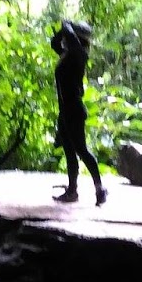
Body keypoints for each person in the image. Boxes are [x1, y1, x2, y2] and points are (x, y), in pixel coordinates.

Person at [51, 19, 107, 205]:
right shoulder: (66, 55)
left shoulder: (79, 55)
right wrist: (62, 30)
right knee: (69, 152)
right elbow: (54, 43)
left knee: (81, 150)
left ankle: (99, 188)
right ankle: (72, 191)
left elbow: (70, 37)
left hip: (74, 109)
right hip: (65, 110)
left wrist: (68, 25)